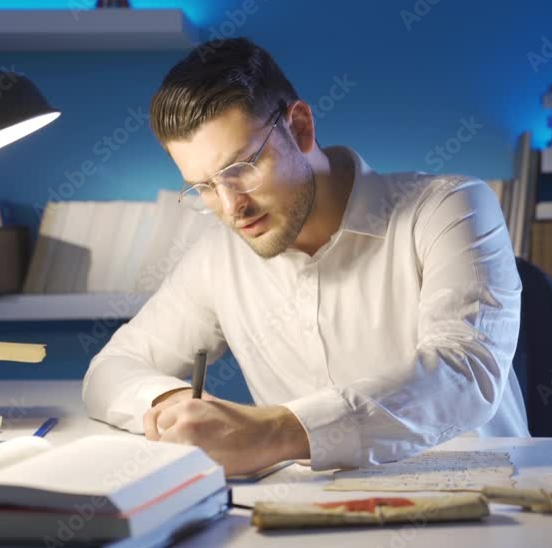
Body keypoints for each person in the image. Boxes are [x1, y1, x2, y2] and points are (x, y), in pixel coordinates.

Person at [81, 37, 528, 475]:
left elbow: (466, 375)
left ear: (299, 128)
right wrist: (173, 404)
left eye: (241, 169)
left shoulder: (450, 208)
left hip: (484, 498)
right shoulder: (216, 259)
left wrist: (272, 432)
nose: (232, 207)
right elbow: (109, 371)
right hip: (304, 512)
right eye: (205, 187)